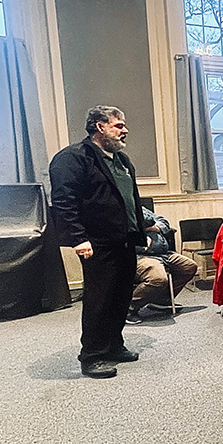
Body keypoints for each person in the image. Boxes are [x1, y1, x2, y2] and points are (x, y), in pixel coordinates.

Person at [49, 105, 147, 379]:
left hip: (124, 239)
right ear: (99, 126)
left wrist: (139, 232)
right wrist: (78, 238)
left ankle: (114, 345)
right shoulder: (73, 158)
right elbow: (64, 201)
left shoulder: (122, 160)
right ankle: (91, 355)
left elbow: (130, 200)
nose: (125, 130)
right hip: (96, 242)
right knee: (99, 299)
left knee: (120, 296)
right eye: (118, 125)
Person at [126, 207, 198, 323]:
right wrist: (139, 236)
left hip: (163, 253)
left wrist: (155, 228)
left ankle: (161, 299)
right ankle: (128, 308)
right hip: (141, 256)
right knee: (157, 278)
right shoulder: (118, 213)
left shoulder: (140, 208)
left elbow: (163, 221)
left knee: (188, 267)